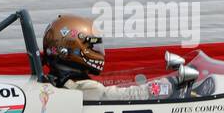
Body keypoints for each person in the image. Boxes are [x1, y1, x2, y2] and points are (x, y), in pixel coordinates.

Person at [42, 15, 175, 100]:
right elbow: (129, 95)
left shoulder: (58, 82)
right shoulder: (88, 89)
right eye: (92, 46)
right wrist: (170, 84)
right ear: (68, 50)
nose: (98, 52)